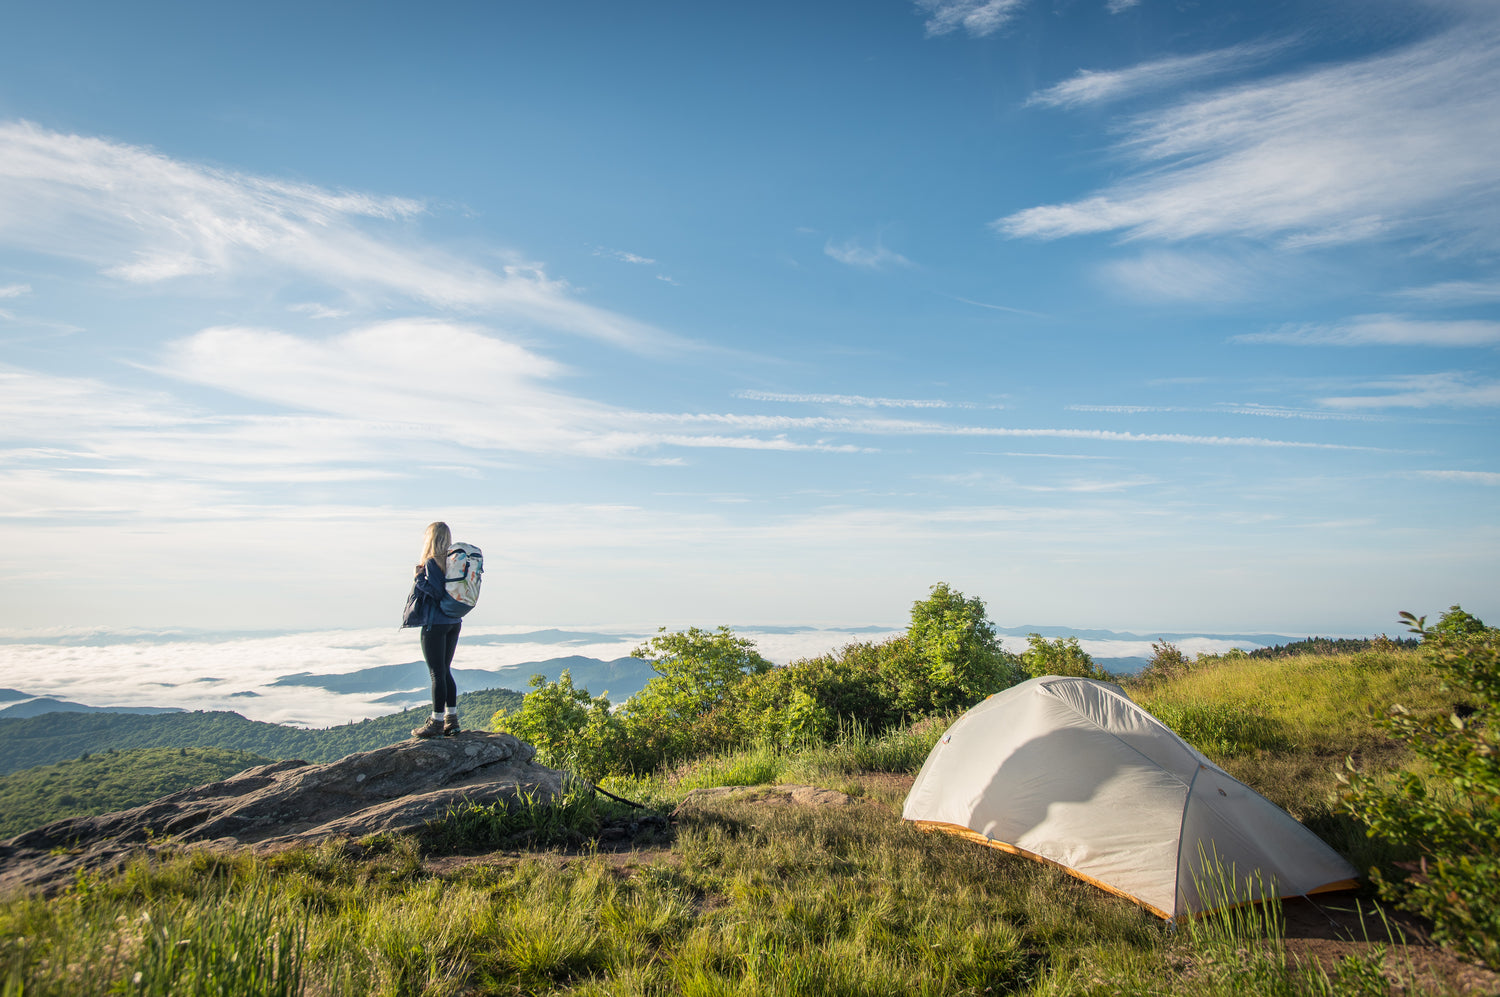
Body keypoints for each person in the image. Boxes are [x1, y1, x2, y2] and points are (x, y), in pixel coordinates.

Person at [404, 521, 464, 738]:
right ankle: (452, 720)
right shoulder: (454, 562)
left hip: (435, 623)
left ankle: (436, 722)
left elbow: (436, 593)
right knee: (445, 670)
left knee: (436, 673)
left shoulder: (432, 562)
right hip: (453, 622)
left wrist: (418, 576)